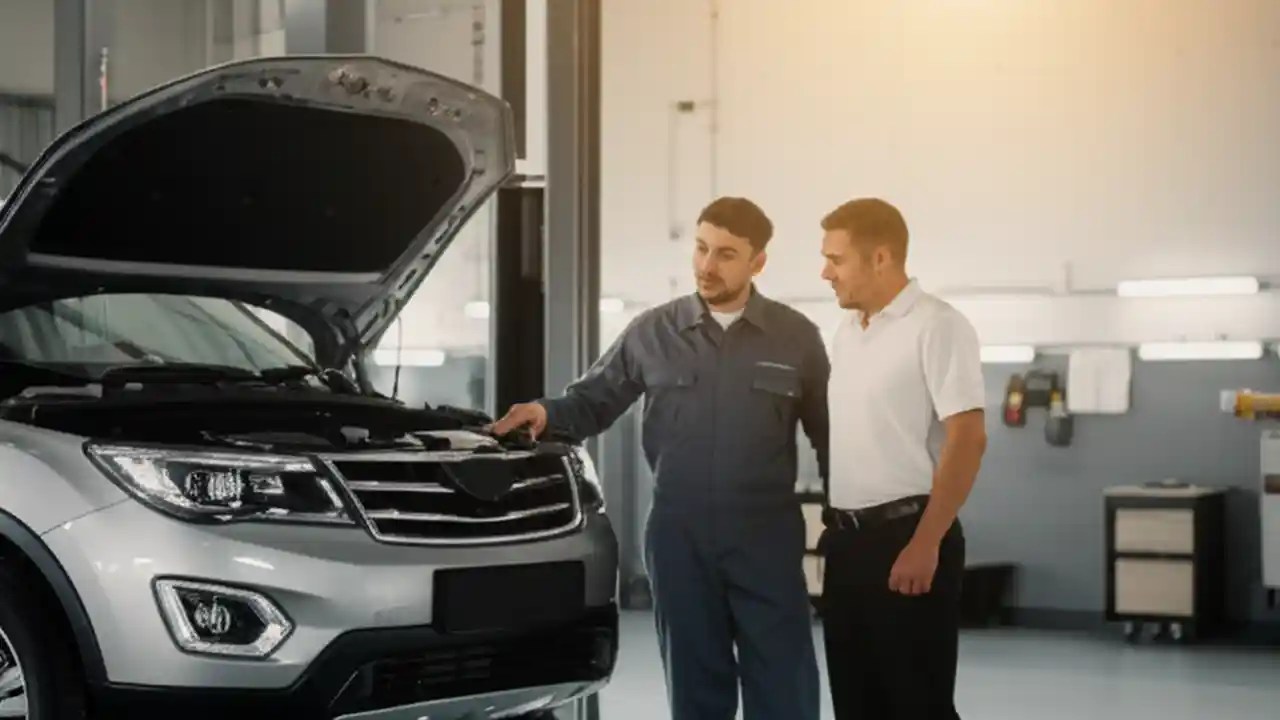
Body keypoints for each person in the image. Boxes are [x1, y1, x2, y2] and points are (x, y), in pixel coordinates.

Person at [492, 197, 829, 720]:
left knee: (783, 683)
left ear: (758, 262)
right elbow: (592, 402)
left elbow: (830, 436)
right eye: (701, 248)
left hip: (765, 535)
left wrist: (845, 519)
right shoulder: (652, 332)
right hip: (679, 535)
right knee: (695, 685)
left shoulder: (797, 337)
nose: (707, 265)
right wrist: (544, 412)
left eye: (726, 254)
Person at [817, 198, 988, 719]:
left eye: (836, 259)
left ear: (881, 258)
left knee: (917, 705)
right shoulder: (849, 333)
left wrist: (926, 542)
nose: (825, 273)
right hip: (848, 545)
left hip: (906, 537)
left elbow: (968, 438)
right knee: (856, 705)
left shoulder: (937, 325)